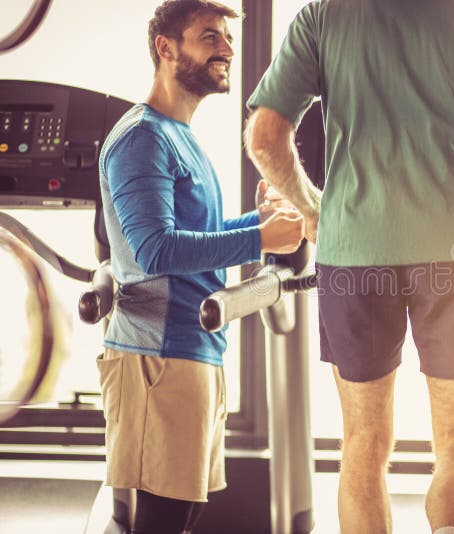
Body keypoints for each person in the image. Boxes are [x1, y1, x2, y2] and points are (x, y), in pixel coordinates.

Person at [245, 1, 454, 533]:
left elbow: (265, 138)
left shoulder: (323, 17)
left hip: (354, 252)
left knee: (363, 444)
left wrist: (316, 210)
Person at [96, 1, 304, 532]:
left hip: (191, 352)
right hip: (156, 359)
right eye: (210, 37)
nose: (227, 49)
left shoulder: (177, 136)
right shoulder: (142, 139)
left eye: (227, 39)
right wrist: (259, 237)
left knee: (182, 514)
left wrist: (254, 225)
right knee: (163, 522)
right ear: (166, 49)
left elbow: (193, 237)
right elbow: (156, 251)